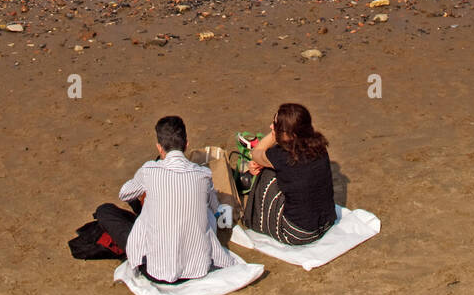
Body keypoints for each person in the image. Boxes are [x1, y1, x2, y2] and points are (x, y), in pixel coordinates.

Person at [92, 115, 234, 284]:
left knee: (105, 211)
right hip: (198, 267)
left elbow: (124, 193)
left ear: (159, 148)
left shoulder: (150, 170)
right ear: (186, 144)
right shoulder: (203, 174)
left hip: (156, 270)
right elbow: (214, 207)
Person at [244, 103, 335, 245]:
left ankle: (251, 214)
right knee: (273, 167)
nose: (270, 127)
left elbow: (256, 153)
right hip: (326, 222)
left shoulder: (280, 155)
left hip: (297, 233)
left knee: (266, 173)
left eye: (274, 124)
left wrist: (273, 136)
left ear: (288, 133)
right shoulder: (320, 146)